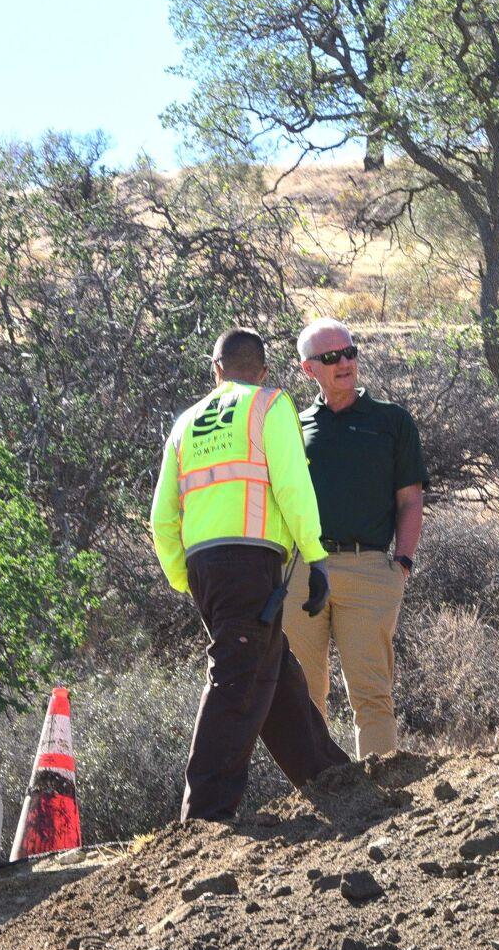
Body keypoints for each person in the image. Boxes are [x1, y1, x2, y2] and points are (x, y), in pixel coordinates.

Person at [150, 328, 350, 821]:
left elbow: (162, 515)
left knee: (273, 673)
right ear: (262, 371)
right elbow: (292, 486)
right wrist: (315, 556)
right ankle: (204, 817)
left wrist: (184, 578)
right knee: (236, 680)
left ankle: (332, 780)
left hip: (205, 566)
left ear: (215, 370)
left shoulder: (186, 423)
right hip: (252, 562)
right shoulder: (270, 404)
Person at [284, 318, 428, 759]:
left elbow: (410, 499)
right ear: (310, 369)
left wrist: (401, 563)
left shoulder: (392, 421)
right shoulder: (293, 426)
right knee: (304, 698)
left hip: (369, 569)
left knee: (372, 694)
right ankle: (322, 798)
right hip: (303, 571)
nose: (345, 363)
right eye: (331, 357)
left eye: (350, 352)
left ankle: (379, 800)